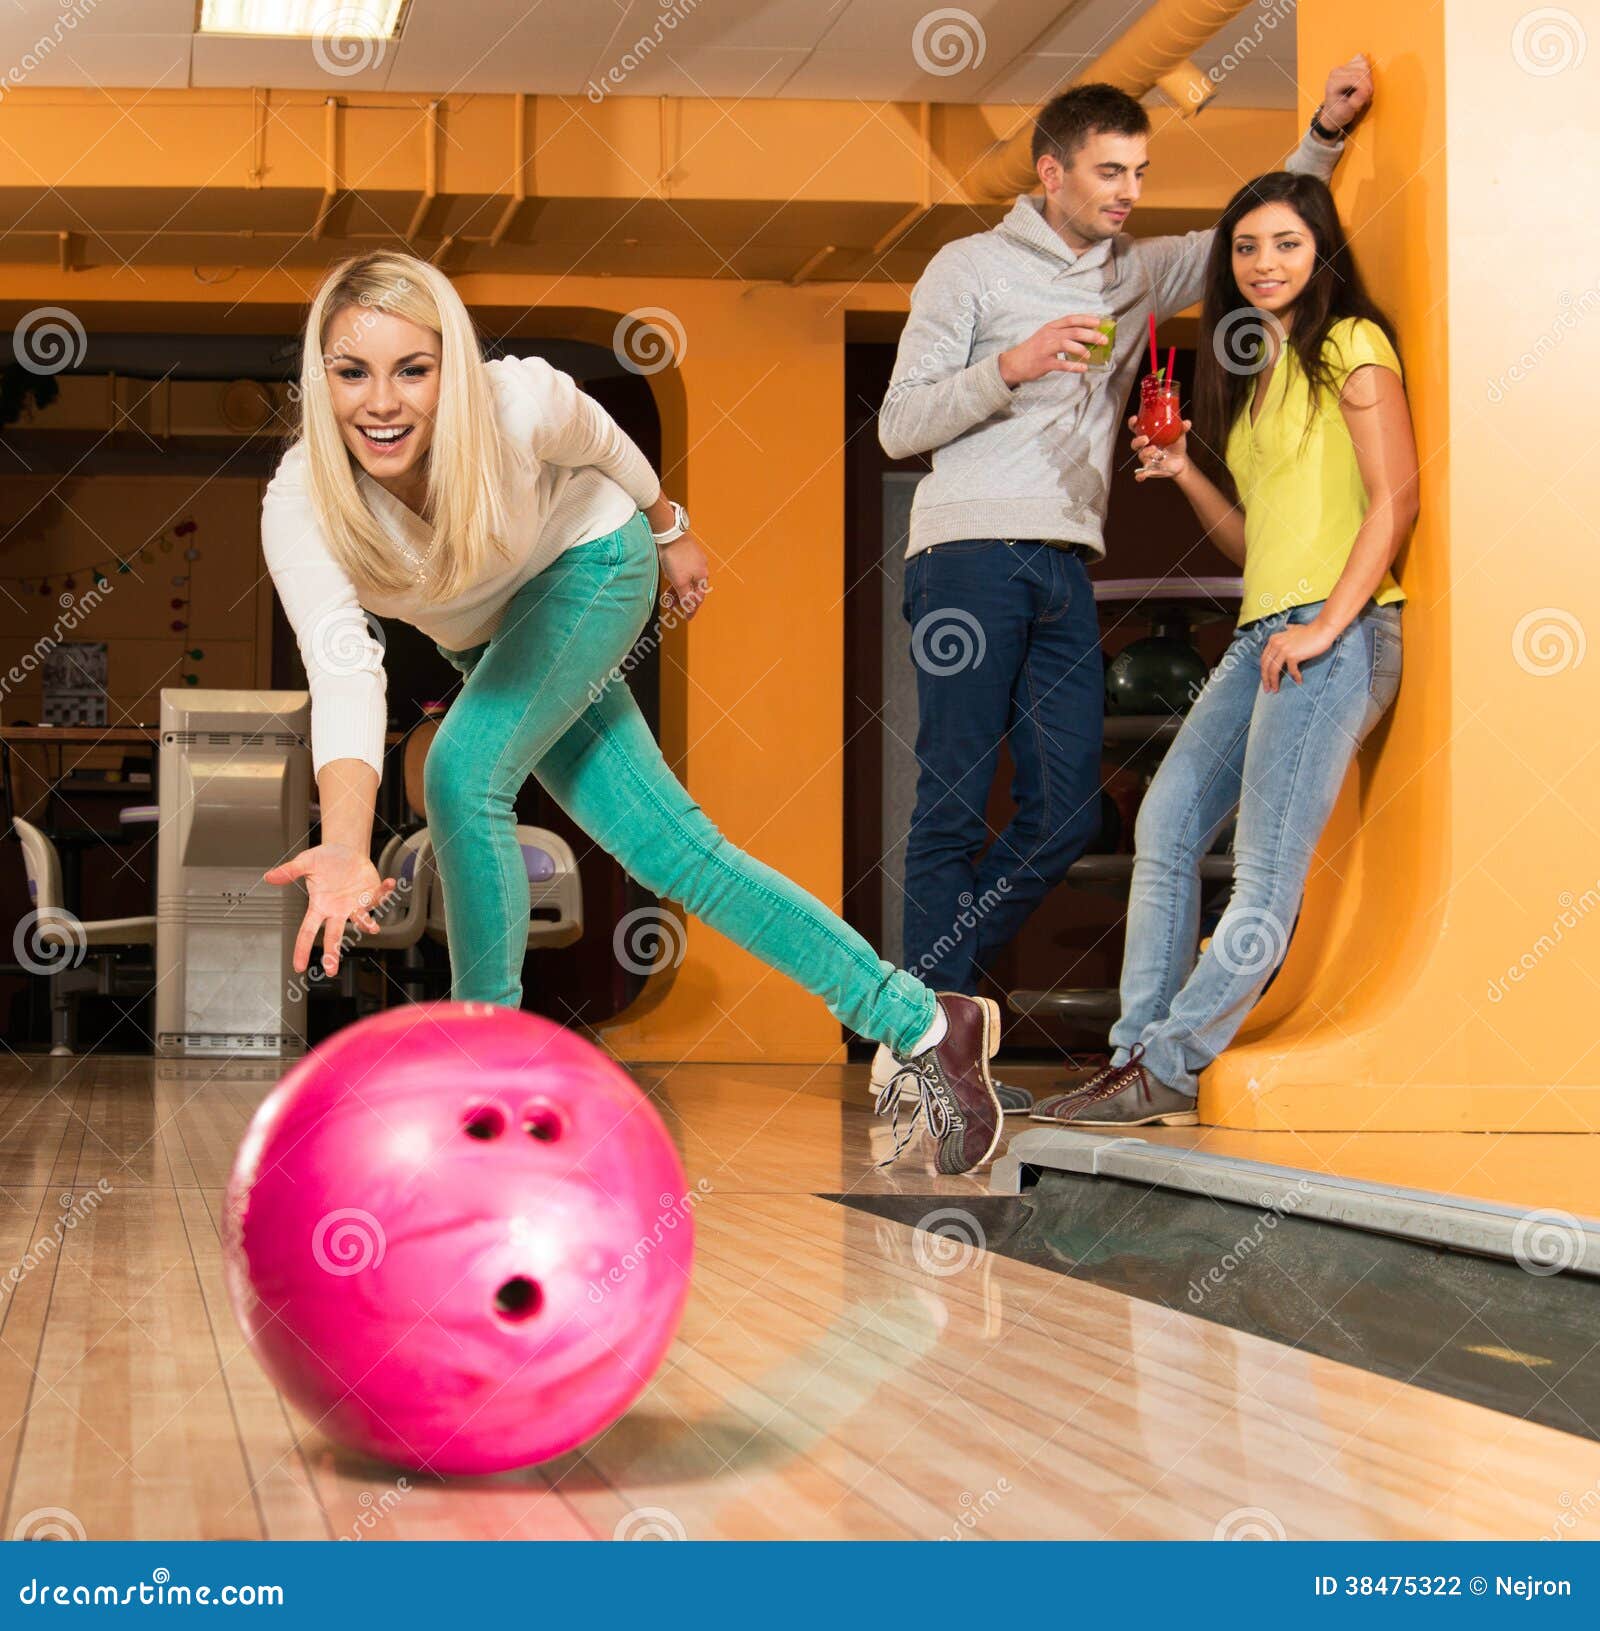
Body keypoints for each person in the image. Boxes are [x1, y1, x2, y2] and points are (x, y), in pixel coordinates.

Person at [257, 253, 1006, 1176]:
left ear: (450, 366)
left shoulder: (516, 403)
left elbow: (605, 442)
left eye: (413, 369)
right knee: (676, 853)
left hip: (595, 566)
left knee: (461, 770)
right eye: (352, 371)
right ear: (318, 375)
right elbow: (342, 669)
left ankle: (480, 1076)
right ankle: (925, 1020)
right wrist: (342, 842)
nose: (383, 401)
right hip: (497, 637)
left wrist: (669, 526)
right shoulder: (304, 502)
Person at [873, 58, 1374, 1115]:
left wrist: (1323, 135)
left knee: (1063, 814)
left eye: (1139, 174)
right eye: (1107, 173)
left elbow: (1256, 229)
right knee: (955, 801)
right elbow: (898, 424)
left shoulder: (1132, 271)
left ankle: (916, 997)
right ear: (1049, 172)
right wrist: (1010, 364)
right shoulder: (965, 269)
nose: (1126, 194)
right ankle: (927, 1041)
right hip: (965, 552)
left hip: (1064, 563)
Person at [1031, 170, 1417, 1127]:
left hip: (1337, 633)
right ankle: (1135, 1059)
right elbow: (1257, 542)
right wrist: (1186, 474)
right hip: (1264, 632)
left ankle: (1174, 1061)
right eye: (1246, 248)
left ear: (1320, 250)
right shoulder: (1256, 373)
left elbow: (1397, 497)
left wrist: (1327, 624)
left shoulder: (1353, 347)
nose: (1263, 264)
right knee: (1163, 824)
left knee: (1263, 870)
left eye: (1286, 243)